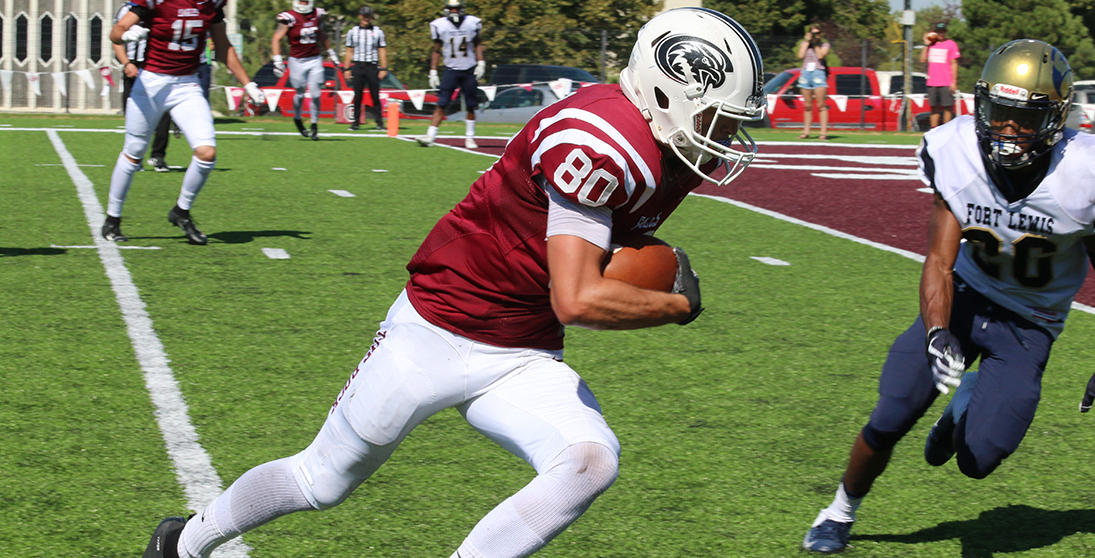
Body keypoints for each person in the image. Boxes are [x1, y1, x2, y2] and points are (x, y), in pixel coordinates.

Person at [139, 8, 766, 558]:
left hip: (523, 350)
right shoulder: (604, 140)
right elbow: (576, 298)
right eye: (716, 113)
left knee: (588, 461)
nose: (725, 135)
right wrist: (674, 304)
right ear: (670, 90)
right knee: (320, 482)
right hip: (437, 331)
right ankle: (184, 542)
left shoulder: (667, 147)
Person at [802, 40, 1095, 554]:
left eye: (1023, 118)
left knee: (977, 461)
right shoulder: (955, 151)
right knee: (891, 416)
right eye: (998, 113)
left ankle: (964, 399)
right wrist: (937, 332)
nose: (1006, 130)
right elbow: (938, 258)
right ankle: (838, 512)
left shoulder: (1089, 172)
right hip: (962, 299)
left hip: (1029, 323)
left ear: (1054, 117)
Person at [104, 0, 264, 245]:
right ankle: (112, 219)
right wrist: (126, 35)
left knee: (206, 152)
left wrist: (247, 83)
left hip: (187, 84)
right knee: (134, 153)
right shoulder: (155, 2)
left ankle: (181, 211)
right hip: (152, 83)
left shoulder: (210, 4)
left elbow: (222, 46)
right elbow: (115, 33)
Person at [112, 0, 173, 173]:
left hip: (156, 66)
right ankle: (134, 156)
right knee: (133, 114)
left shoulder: (162, 7)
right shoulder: (126, 9)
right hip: (132, 65)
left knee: (164, 112)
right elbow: (116, 39)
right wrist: (126, 63)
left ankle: (158, 155)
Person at [272, 0, 341, 141]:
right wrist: (278, 61)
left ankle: (314, 124)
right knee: (300, 92)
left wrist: (331, 52)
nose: (304, 3)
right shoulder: (289, 17)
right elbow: (276, 38)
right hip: (297, 61)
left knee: (316, 93)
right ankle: (297, 118)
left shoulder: (317, 13)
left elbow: (321, 34)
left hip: (315, 59)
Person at [418, 0, 484, 149]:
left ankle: (469, 137)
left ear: (462, 9)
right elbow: (436, 50)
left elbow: (477, 44)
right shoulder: (439, 25)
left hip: (469, 68)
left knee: (470, 105)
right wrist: (433, 71)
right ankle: (430, 136)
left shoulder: (472, 22)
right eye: (451, 8)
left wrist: (481, 62)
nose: (454, 11)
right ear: (447, 9)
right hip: (451, 69)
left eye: (456, 8)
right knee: (441, 103)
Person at [342, 6, 387, 132]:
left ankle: (379, 122)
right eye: (364, 15)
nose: (366, 18)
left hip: (372, 66)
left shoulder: (378, 31)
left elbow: (382, 49)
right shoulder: (353, 31)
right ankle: (355, 122)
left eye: (368, 16)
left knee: (375, 95)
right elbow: (349, 50)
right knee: (358, 96)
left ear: (371, 17)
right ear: (360, 16)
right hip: (358, 65)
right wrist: (346, 68)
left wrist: (383, 67)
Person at [921, 22, 960, 129]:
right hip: (932, 81)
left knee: (947, 107)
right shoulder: (931, 45)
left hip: (946, 81)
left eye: (942, 31)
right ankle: (934, 129)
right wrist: (926, 44)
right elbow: (923, 59)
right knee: (934, 107)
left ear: (945, 32)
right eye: (938, 31)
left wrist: (954, 82)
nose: (940, 33)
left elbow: (954, 63)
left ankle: (945, 129)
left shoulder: (951, 44)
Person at [796, 25, 830, 140]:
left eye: (818, 33)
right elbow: (800, 55)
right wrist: (807, 41)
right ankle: (806, 132)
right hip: (806, 73)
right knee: (807, 105)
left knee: (821, 105)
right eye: (813, 33)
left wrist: (815, 43)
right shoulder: (805, 44)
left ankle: (823, 133)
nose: (816, 35)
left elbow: (821, 55)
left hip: (818, 73)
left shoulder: (824, 45)